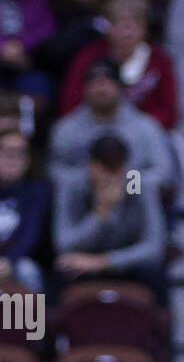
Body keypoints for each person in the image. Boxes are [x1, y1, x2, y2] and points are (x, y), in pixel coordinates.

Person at [52, 132, 167, 297]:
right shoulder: (73, 186)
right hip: (82, 262)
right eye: (103, 168)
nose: (110, 176)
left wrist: (104, 262)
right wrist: (100, 214)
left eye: (116, 169)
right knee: (62, 269)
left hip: (126, 264)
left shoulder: (138, 185)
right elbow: (63, 243)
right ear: (90, 165)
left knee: (153, 272)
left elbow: (153, 248)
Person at [59, 0, 179, 130]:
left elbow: (169, 111)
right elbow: (70, 105)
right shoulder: (88, 58)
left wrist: (138, 126)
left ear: (145, 29)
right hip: (93, 131)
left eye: (134, 26)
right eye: (121, 25)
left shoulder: (160, 61)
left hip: (143, 133)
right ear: (109, 28)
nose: (127, 34)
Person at [49, 57, 174, 190]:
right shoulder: (66, 128)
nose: (101, 89)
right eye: (95, 83)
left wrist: (127, 181)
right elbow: (53, 170)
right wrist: (90, 178)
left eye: (108, 83)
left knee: (144, 190)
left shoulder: (146, 127)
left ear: (121, 89)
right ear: (85, 89)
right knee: (66, 188)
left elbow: (164, 172)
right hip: (84, 199)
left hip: (133, 196)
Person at [0, 127, 49, 290]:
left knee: (27, 270)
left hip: (16, 262)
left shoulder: (37, 192)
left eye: (20, 153)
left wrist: (8, 261)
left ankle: (28, 316)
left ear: (29, 160)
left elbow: (31, 234)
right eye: (7, 152)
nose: (13, 159)